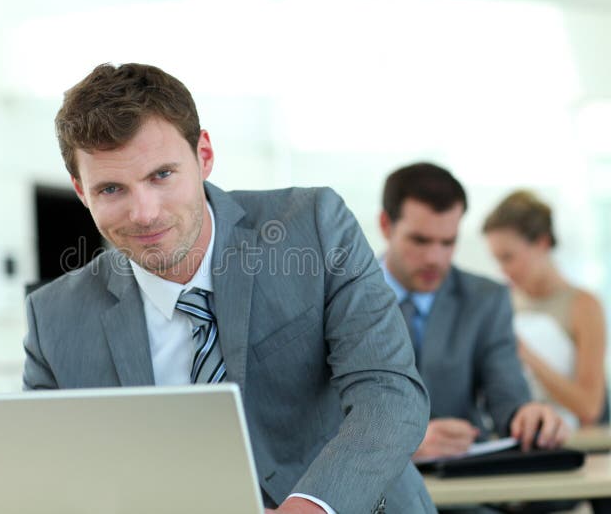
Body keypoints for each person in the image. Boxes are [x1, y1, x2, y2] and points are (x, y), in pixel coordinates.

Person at [22, 63, 436, 513]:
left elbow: (389, 393)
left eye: (161, 175)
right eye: (111, 189)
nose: (144, 213)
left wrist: (312, 506)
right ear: (82, 192)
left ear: (203, 156)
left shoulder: (314, 228)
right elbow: (54, 475)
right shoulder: (54, 317)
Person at [378, 163, 568, 463]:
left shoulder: (486, 299)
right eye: (420, 240)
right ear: (386, 226)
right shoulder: (344, 299)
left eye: (448, 242)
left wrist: (527, 416)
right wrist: (399, 442)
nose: (434, 258)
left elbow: (507, 395)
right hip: (371, 494)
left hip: (465, 486)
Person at [483, 190, 608, 427]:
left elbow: (591, 408)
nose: (503, 270)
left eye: (508, 257)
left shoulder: (584, 306)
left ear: (542, 242)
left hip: (573, 439)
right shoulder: (502, 301)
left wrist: (524, 353)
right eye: (497, 260)